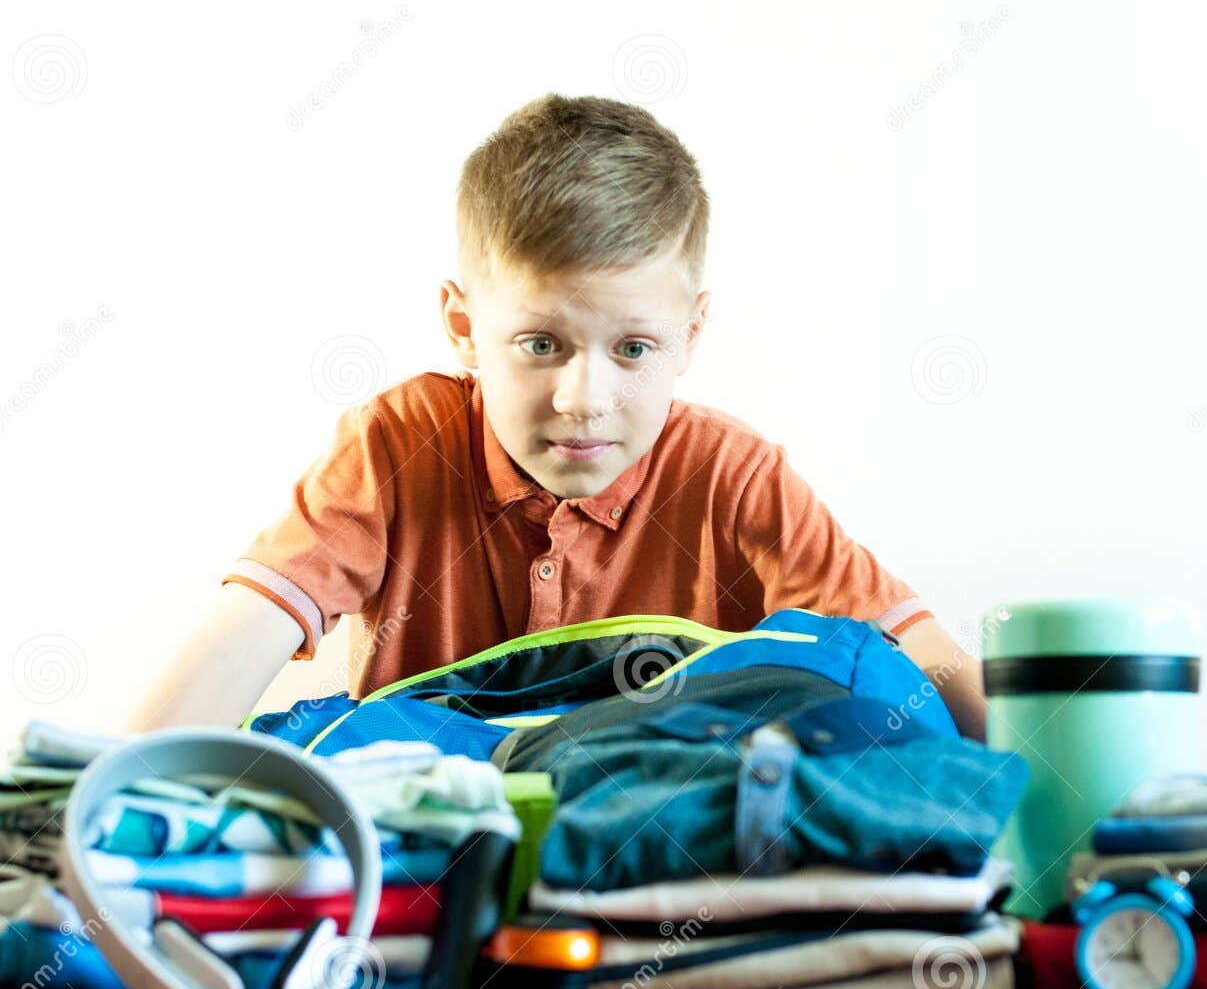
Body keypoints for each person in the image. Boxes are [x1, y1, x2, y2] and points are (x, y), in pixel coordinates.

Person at [128, 93, 986, 739]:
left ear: (689, 336)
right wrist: (84, 824)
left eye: (634, 350)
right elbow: (239, 638)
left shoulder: (734, 476)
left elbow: (929, 667)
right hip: (441, 880)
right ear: (465, 328)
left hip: (659, 883)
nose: (584, 399)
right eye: (540, 344)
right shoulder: (397, 445)